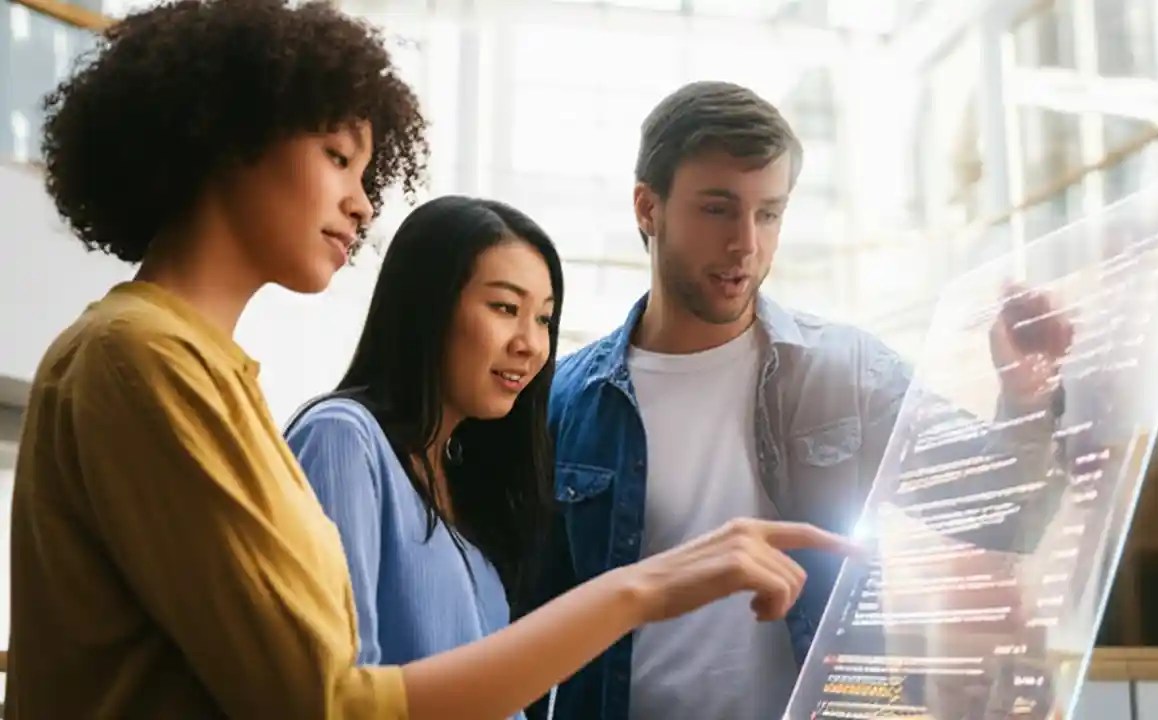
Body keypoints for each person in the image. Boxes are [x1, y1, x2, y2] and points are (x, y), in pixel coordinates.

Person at [6, 6, 860, 718]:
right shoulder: (141, 360)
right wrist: (642, 590)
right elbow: (325, 702)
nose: (360, 201)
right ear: (230, 139)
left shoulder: (203, 371)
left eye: (544, 318)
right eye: (338, 157)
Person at [539, 81, 1073, 720]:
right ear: (647, 208)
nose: (746, 243)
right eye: (717, 209)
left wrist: (1025, 395)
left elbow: (1007, 514)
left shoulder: (849, 374)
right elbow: (522, 620)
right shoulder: (568, 399)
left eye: (768, 213)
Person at [281, 197, 561, 704]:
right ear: (428, 307)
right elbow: (338, 691)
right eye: (505, 308)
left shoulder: (462, 474)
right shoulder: (343, 439)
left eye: (544, 318)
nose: (531, 344)